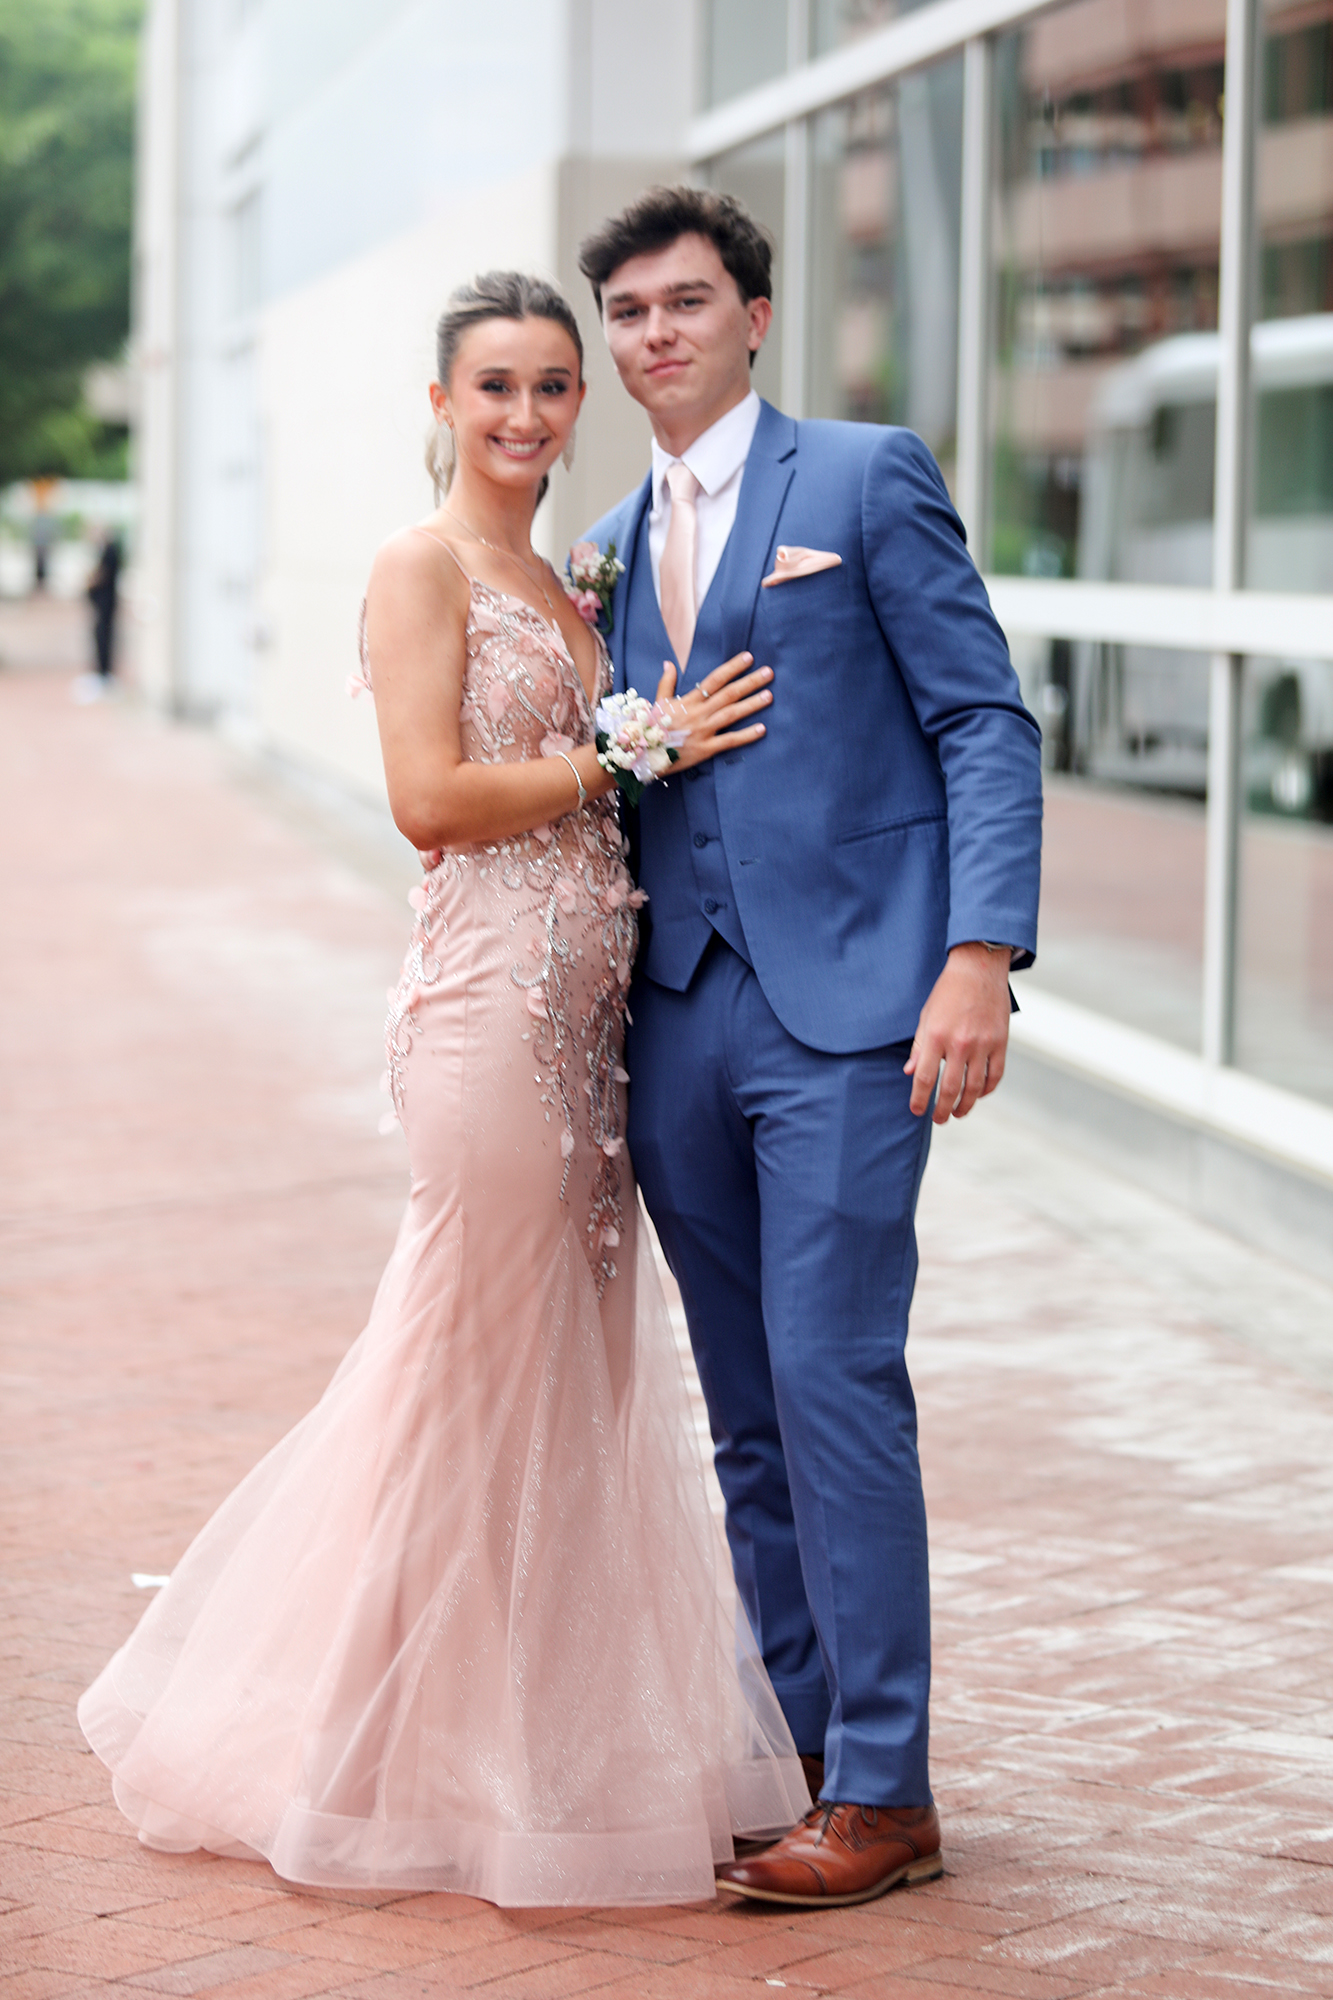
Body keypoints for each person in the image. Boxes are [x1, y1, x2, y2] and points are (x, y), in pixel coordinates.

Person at [77, 271, 809, 1907]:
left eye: (554, 387)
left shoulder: (566, 575)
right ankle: (357, 1747)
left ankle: (518, 1738)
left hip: (590, 1030)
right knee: (461, 1367)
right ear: (441, 404)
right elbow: (427, 799)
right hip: (487, 1019)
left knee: (558, 1374)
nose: (528, 416)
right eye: (496, 389)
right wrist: (631, 753)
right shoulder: (422, 570)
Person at [575, 187, 1043, 1908]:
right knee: (748, 1412)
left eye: (685, 301)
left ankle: (886, 1785)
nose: (655, 335)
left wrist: (977, 955)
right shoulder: (609, 541)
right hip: (676, 1021)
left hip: (849, 1012)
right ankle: (800, 1758)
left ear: (755, 316)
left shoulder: (858, 477)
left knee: (836, 1380)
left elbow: (982, 719)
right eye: (626, 312)